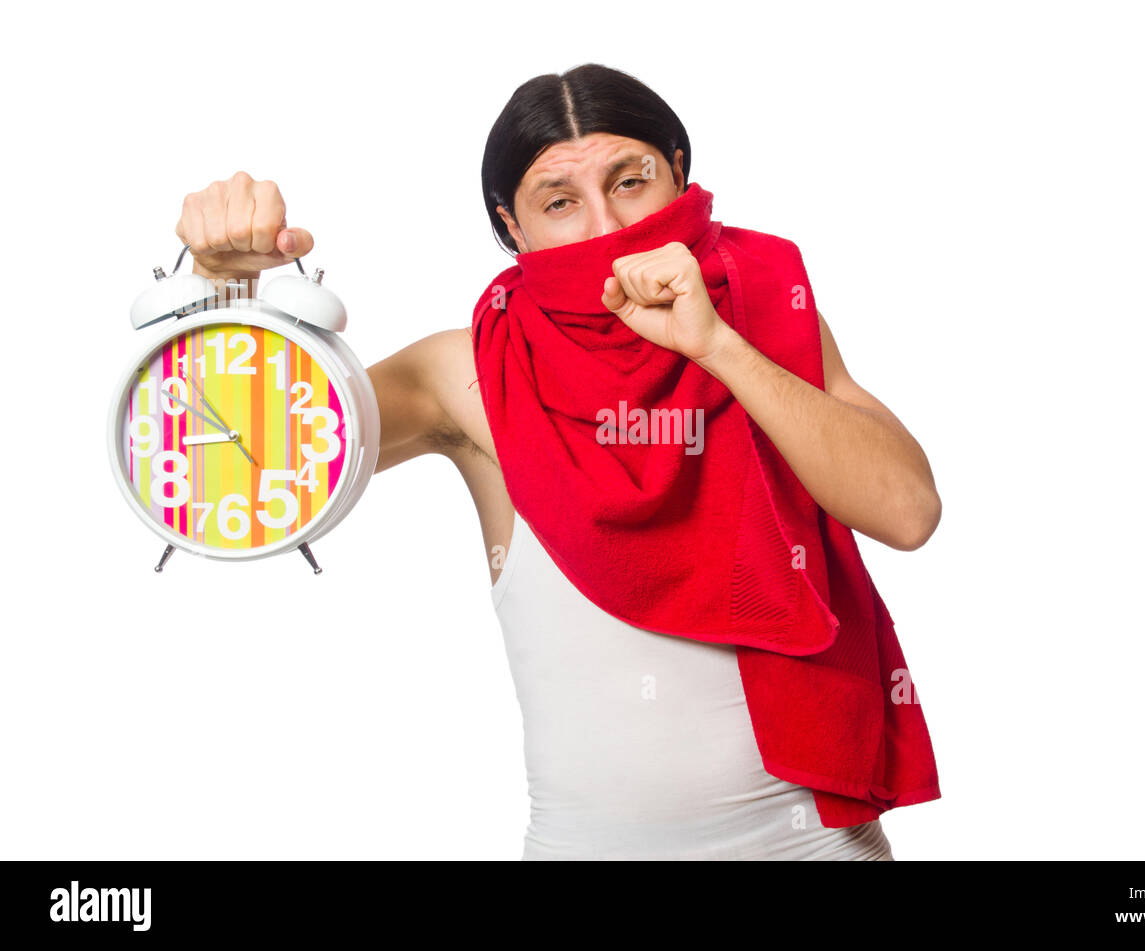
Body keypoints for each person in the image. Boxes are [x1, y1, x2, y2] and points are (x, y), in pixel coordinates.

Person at [175, 63, 941, 860]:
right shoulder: (468, 373)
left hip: (816, 847)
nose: (606, 226)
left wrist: (718, 347)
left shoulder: (768, 321)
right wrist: (220, 296)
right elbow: (230, 477)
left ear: (680, 172)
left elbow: (909, 511)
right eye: (560, 202)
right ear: (513, 228)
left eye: (631, 180)